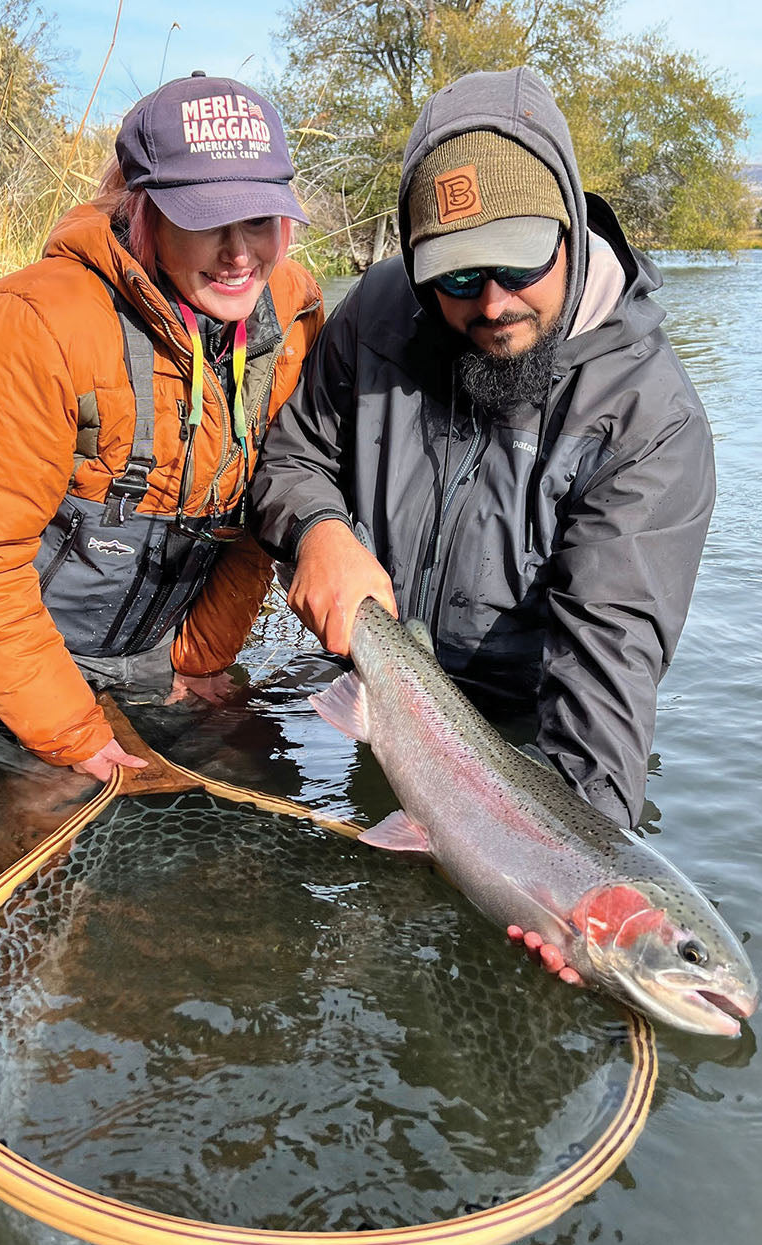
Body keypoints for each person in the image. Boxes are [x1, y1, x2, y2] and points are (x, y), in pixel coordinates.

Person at [251, 66, 715, 833]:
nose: (493, 302)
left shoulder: (649, 419)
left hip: (532, 734)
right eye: (458, 274)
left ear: (570, 223)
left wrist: (584, 848)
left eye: (519, 261)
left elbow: (610, 656)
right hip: (377, 687)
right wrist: (317, 531)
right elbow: (293, 458)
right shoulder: (379, 313)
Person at [0, 73, 323, 781]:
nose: (239, 254)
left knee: (250, 774)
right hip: (4, 642)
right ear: (145, 211)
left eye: (259, 221)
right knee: (53, 820)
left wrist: (199, 658)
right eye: (205, 220)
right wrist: (72, 735)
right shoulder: (28, 324)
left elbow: (259, 522)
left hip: (156, 644)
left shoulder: (292, 314)